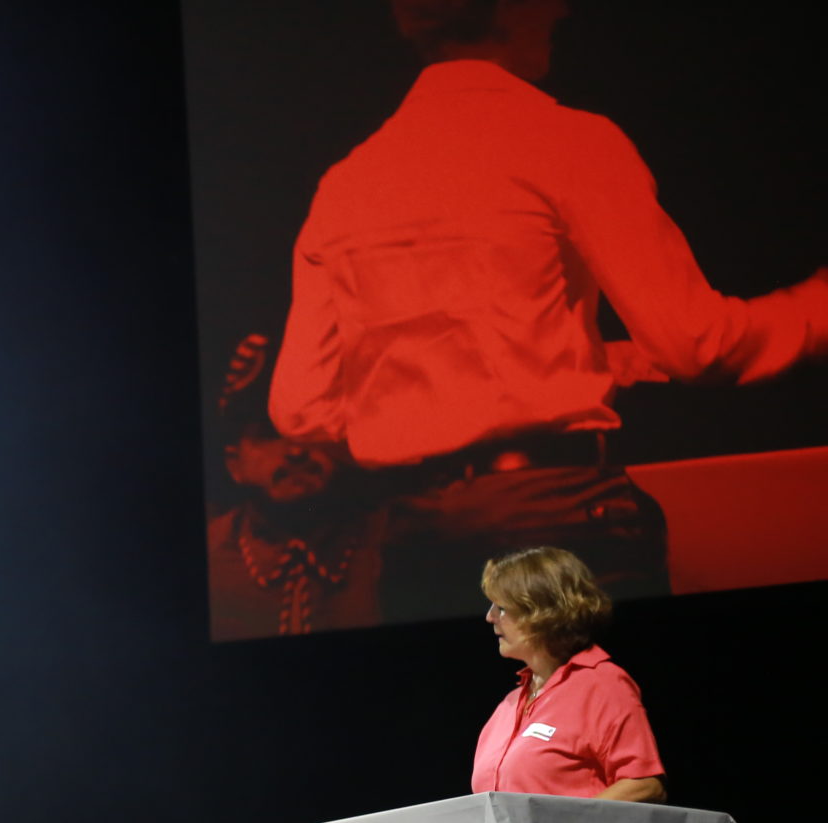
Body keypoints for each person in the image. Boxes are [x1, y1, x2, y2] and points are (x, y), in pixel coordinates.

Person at [270, 0, 828, 624]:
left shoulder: (345, 184)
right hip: (559, 517)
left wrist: (431, 399)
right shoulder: (567, 140)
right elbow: (697, 344)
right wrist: (813, 310)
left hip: (417, 535)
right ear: (520, 11)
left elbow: (300, 408)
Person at [205, 332, 383, 638]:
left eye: (313, 428)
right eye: (268, 433)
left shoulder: (393, 540)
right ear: (235, 464)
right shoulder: (210, 560)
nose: (297, 450)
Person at [471, 546, 665, 802]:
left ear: (541, 613)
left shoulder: (601, 683)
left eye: (502, 608)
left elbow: (644, 786)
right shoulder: (508, 705)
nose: (490, 617)